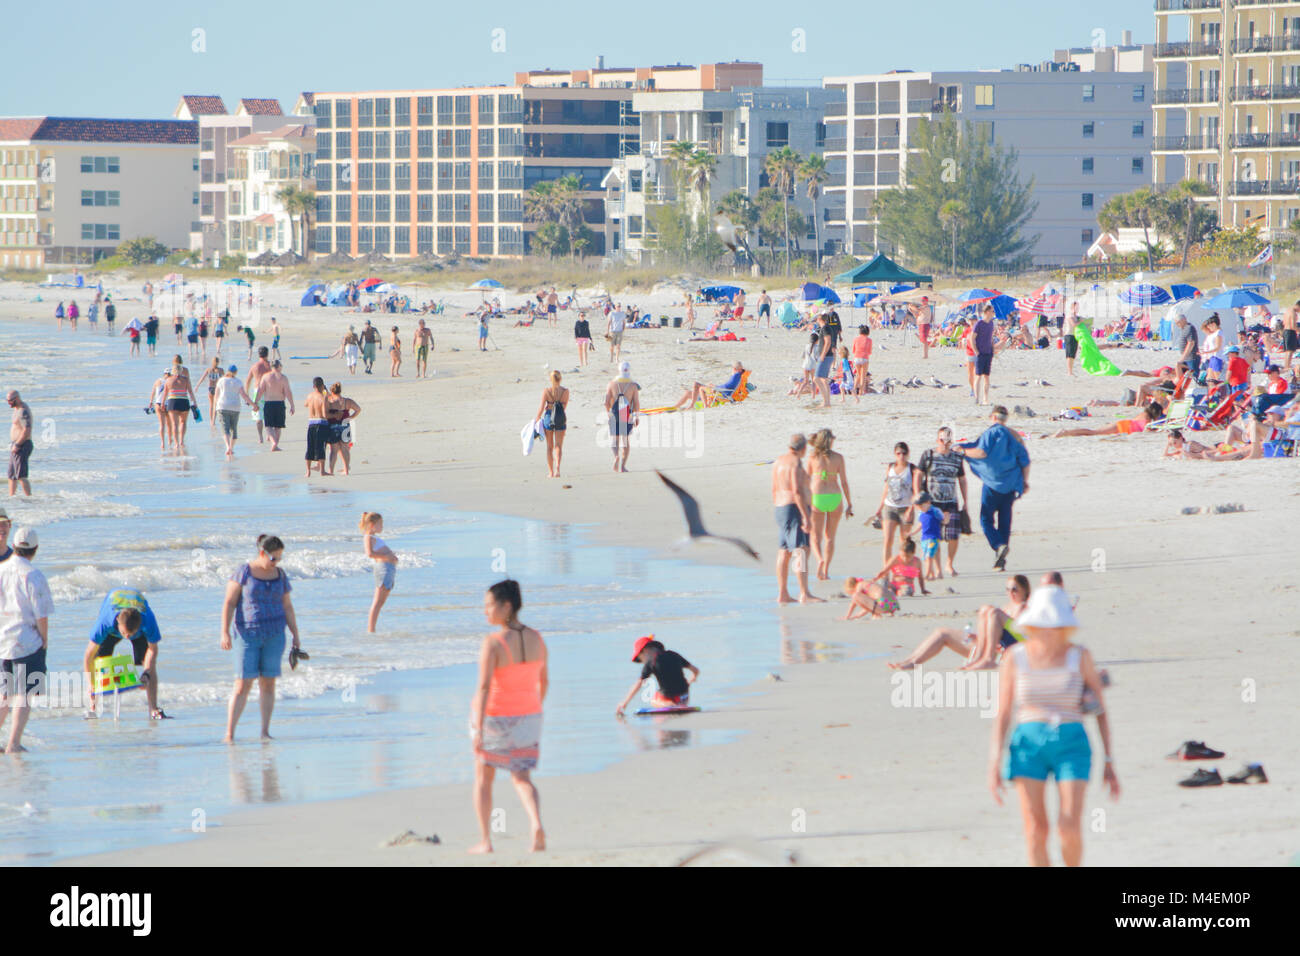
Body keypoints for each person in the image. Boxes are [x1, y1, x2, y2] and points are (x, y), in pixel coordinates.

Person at [989, 586, 1118, 866]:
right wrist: (995, 761)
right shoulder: (1015, 657)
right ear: (1032, 624)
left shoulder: (1079, 656)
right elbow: (1003, 713)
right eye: (1043, 624)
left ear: (1064, 626)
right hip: (1027, 744)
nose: (1049, 630)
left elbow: (1100, 711)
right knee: (1036, 830)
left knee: (1068, 828)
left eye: (1055, 625)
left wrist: (1108, 760)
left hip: (1072, 743)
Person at [469, 579, 547, 854]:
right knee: (522, 778)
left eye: (490, 605)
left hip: (496, 717)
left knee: (483, 778)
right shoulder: (537, 638)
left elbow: (484, 686)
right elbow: (544, 681)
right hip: (530, 716)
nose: (486, 611)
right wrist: (531, 709)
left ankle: (485, 841)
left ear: (507, 606)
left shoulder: (493, 643)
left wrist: (478, 728)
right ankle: (536, 823)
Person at [220, 534, 300, 742]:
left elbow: (288, 606)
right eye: (274, 558)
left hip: (275, 635)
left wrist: (296, 635)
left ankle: (264, 731)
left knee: (268, 683)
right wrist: (224, 631)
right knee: (243, 684)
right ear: (262, 553)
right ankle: (230, 733)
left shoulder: (280, 575)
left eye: (280, 558)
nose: (277, 562)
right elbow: (229, 602)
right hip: (247, 635)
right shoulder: (243, 572)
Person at [887, 575, 1030, 670]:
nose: (1010, 593)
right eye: (1008, 589)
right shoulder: (1005, 608)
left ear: (1024, 590)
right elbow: (993, 635)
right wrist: (978, 638)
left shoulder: (1026, 609)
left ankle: (985, 659)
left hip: (1009, 653)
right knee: (942, 632)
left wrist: (996, 645)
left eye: (1015, 589)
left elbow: (1025, 638)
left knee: (990, 610)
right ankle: (912, 661)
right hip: (988, 648)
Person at [956, 406, 1030, 571]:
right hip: (1010, 485)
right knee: (1005, 521)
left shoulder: (991, 432)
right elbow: (1025, 461)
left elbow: (981, 452)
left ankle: (998, 546)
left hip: (992, 485)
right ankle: (1001, 559)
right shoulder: (1014, 436)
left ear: (992, 417)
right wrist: (1024, 482)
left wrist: (963, 451)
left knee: (985, 519)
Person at [0, 527, 51, 753]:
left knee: (4, 693)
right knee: (23, 694)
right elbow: (41, 614)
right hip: (26, 640)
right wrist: (44, 640)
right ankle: (13, 743)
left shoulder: (1, 570)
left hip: (2, 641)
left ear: (15, 546)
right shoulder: (33, 575)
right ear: (35, 549)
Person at [84, 587, 168, 720]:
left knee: (150, 667)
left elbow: (153, 649)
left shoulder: (148, 621)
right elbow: (88, 656)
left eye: (131, 634)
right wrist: (91, 683)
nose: (127, 637)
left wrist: (146, 672)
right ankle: (93, 708)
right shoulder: (105, 622)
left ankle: (154, 709)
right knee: (98, 663)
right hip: (112, 626)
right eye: (124, 634)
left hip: (136, 619)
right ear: (117, 621)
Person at [773, 434, 820, 604]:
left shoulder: (778, 461)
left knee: (784, 550)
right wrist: (806, 516)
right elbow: (797, 491)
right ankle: (804, 593)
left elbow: (774, 488)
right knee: (800, 550)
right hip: (793, 508)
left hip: (780, 507)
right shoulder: (795, 463)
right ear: (803, 449)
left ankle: (783, 593)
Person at [917, 427, 968, 577]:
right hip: (931, 502)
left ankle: (949, 564)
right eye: (941, 440)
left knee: (953, 535)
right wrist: (917, 494)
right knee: (934, 536)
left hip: (951, 501)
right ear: (937, 440)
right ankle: (937, 568)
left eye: (948, 440)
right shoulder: (928, 455)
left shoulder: (957, 458)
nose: (944, 443)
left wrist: (965, 501)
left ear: (951, 441)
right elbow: (918, 474)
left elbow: (962, 479)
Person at [805, 428, 852, 581]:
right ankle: (825, 571)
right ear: (830, 440)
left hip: (818, 497)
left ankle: (820, 559)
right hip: (834, 497)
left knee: (815, 536)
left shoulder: (812, 457)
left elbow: (806, 480)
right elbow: (844, 482)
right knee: (830, 537)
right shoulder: (839, 458)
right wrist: (849, 503)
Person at [617, 635, 697, 715]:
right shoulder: (674, 654)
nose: (643, 661)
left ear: (645, 650)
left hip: (670, 698)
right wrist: (691, 680)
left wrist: (625, 702)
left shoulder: (651, 662)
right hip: (684, 696)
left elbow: (639, 683)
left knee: (653, 700)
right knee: (662, 692)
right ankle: (680, 705)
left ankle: (670, 705)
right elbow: (696, 671)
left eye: (641, 658)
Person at [873, 442, 916, 567]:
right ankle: (886, 569)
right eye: (898, 453)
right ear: (895, 454)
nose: (901, 456)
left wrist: (911, 510)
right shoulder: (891, 467)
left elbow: (916, 491)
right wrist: (880, 507)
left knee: (904, 541)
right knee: (887, 540)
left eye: (904, 453)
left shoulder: (912, 469)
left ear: (908, 454)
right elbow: (886, 488)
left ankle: (903, 568)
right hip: (890, 507)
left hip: (906, 508)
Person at [360, 512, 397, 633]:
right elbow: (370, 554)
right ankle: (371, 630)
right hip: (383, 568)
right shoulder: (368, 537)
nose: (382, 526)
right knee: (377, 602)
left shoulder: (373, 537)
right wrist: (388, 557)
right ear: (371, 525)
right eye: (380, 524)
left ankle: (372, 629)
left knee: (381, 602)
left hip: (388, 568)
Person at [1046, 402, 1162, 438]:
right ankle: (1066, 433)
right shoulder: (1149, 422)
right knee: (1093, 433)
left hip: (1123, 424)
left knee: (1094, 432)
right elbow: (1148, 430)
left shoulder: (1143, 414)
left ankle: (1067, 432)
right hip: (1123, 428)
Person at [604, 361, 639, 473]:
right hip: (626, 412)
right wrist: (636, 416)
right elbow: (636, 403)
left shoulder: (611, 384)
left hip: (614, 412)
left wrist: (608, 412)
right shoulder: (633, 386)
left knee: (615, 439)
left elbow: (606, 401)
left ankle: (616, 457)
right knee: (625, 440)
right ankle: (623, 466)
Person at [670, 361, 746, 410]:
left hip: (719, 394)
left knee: (698, 387)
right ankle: (677, 406)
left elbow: (726, 387)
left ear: (734, 368)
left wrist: (715, 387)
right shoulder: (738, 376)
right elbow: (727, 386)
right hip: (719, 393)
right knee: (689, 391)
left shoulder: (736, 376)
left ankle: (698, 405)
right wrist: (714, 386)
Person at [535, 370, 569, 479]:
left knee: (549, 447)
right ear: (560, 379)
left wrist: (536, 419)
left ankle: (551, 472)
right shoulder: (565, 391)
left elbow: (541, 408)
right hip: (560, 417)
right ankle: (558, 469)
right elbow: (564, 406)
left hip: (549, 417)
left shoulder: (546, 391)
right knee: (558, 446)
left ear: (551, 379)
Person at [256, 360, 295, 452]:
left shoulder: (265, 377)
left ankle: (273, 442)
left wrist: (255, 402)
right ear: (278, 367)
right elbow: (288, 392)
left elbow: (260, 390)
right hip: (279, 403)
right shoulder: (283, 378)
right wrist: (292, 405)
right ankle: (275, 444)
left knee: (268, 426)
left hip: (269, 403)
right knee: (278, 426)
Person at [214, 365, 252, 458]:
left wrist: (215, 407)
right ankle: (231, 447)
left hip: (222, 406)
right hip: (235, 407)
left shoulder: (221, 380)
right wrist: (253, 405)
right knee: (233, 429)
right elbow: (244, 395)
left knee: (225, 428)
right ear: (236, 372)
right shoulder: (238, 381)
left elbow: (216, 395)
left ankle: (228, 447)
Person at [162, 357, 198, 451]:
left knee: (174, 423)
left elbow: (165, 393)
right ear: (181, 371)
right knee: (183, 422)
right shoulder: (185, 379)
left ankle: (176, 443)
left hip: (172, 402)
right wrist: (194, 402)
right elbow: (190, 392)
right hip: (184, 401)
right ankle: (181, 441)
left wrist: (162, 403)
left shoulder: (168, 380)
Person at [326, 384, 361, 476]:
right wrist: (350, 417)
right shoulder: (347, 401)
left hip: (333, 426)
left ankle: (331, 471)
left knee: (334, 450)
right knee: (345, 449)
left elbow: (325, 413)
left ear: (332, 392)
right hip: (345, 425)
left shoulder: (329, 401)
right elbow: (358, 409)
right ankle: (346, 470)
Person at [7, 390, 33, 497]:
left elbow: (27, 429)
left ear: (17, 398)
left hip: (22, 445)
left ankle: (29, 497)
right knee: (11, 475)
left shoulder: (23, 411)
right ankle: (11, 497)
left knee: (21, 475)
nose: (9, 403)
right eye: (7, 401)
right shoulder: (16, 409)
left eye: (11, 401)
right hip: (15, 444)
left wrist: (18, 444)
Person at [303, 377, 330, 478]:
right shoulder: (323, 397)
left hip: (311, 423)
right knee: (321, 448)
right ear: (322, 385)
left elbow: (305, 404)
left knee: (310, 447)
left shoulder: (310, 396)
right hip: (321, 423)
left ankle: (308, 472)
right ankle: (322, 471)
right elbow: (324, 414)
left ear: (313, 386)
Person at [245, 347, 272, 445]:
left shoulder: (254, 366)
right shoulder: (270, 366)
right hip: (268, 391)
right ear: (267, 354)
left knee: (258, 416)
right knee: (269, 413)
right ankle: (269, 435)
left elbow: (248, 381)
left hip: (257, 391)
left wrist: (247, 395)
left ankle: (260, 437)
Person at [914, 492, 943, 582]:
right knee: (925, 556)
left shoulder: (935, 511)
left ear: (928, 503)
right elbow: (920, 524)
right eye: (918, 506)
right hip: (924, 538)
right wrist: (912, 533)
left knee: (929, 556)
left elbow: (942, 519)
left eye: (921, 506)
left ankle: (927, 574)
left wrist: (946, 518)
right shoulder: (920, 513)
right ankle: (932, 574)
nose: (920, 508)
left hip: (933, 537)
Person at [973, 304, 997, 405]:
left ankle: (985, 399)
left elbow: (991, 337)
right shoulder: (979, 324)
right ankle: (977, 398)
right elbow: (972, 338)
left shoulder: (991, 324)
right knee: (978, 376)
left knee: (987, 376)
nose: (993, 313)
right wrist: (976, 351)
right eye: (992, 311)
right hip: (980, 353)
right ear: (987, 312)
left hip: (988, 352)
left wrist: (993, 349)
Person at [812, 312, 837, 408]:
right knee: (823, 380)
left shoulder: (825, 328)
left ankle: (826, 402)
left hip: (826, 356)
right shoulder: (826, 328)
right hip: (828, 356)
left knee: (817, 379)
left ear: (820, 319)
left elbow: (828, 341)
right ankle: (827, 402)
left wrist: (822, 354)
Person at [851, 325, 872, 396]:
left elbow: (853, 350)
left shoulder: (856, 339)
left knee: (858, 375)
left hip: (856, 357)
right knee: (863, 376)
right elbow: (869, 351)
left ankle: (853, 389)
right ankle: (861, 392)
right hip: (864, 358)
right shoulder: (869, 340)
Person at [203, 355, 223, 425]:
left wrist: (197, 386)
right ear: (218, 362)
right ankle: (214, 420)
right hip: (217, 389)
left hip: (210, 388)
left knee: (211, 405)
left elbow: (202, 378)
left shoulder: (209, 370)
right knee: (216, 405)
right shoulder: (220, 370)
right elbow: (224, 379)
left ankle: (211, 420)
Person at [1063, 301, 1081, 376]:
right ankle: (1069, 371)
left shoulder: (1076, 316)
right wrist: (1081, 321)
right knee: (1069, 354)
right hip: (1069, 335)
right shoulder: (1069, 315)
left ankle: (1071, 371)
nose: (1077, 309)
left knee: (1073, 353)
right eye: (1076, 307)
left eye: (1078, 307)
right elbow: (1073, 324)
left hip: (1075, 335)